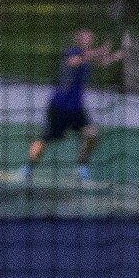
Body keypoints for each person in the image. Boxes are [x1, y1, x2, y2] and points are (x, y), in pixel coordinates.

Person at [18, 29, 125, 183]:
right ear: (79, 39)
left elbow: (105, 61)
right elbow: (76, 61)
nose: (89, 39)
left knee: (93, 136)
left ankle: (82, 166)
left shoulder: (88, 56)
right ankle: (28, 167)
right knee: (44, 141)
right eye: (86, 37)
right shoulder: (73, 52)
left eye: (90, 37)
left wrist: (121, 53)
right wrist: (100, 51)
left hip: (77, 109)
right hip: (58, 107)